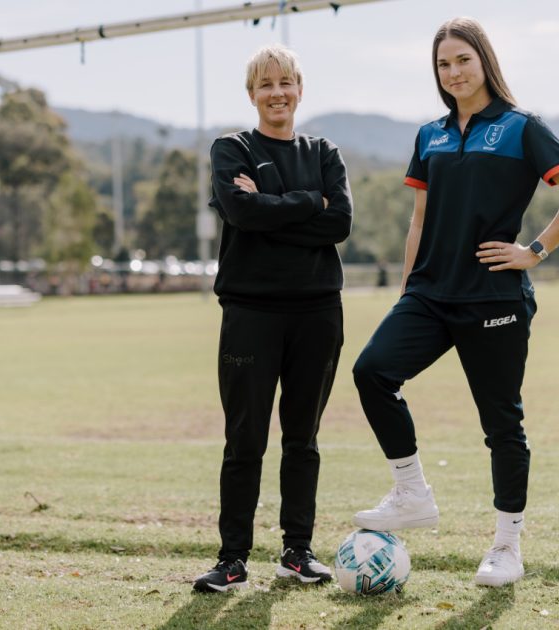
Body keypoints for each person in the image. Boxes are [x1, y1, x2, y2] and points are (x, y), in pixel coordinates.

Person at [351, 17, 559, 588]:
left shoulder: (520, 127)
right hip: (430, 294)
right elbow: (419, 219)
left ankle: (507, 546)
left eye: (463, 59)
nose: (454, 72)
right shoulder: (429, 135)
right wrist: (410, 286)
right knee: (372, 371)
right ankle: (412, 492)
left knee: (501, 424)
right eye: (444, 64)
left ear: (484, 61)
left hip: (493, 296)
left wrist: (533, 251)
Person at [192, 44, 353, 593]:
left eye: (286, 82)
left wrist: (275, 206)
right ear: (252, 94)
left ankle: (297, 552)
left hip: (317, 313)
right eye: (265, 84)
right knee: (245, 440)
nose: (277, 92)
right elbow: (240, 211)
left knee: (302, 440)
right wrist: (311, 203)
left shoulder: (324, 151)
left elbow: (340, 225)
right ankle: (233, 559)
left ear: (300, 88)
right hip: (251, 314)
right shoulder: (230, 148)